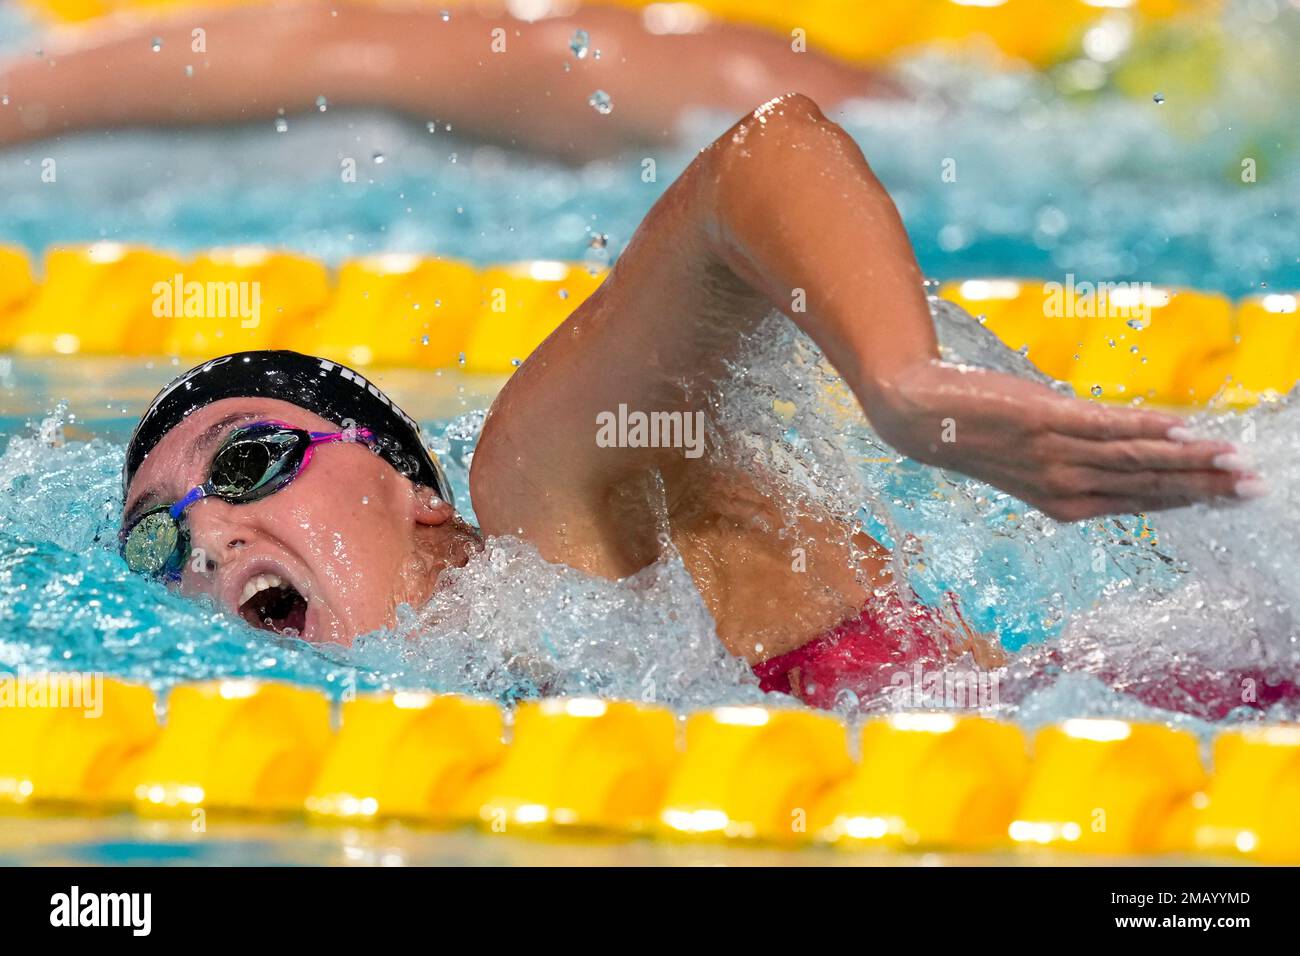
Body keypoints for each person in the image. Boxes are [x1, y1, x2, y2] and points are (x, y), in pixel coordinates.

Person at [7, 3, 1258, 707]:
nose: (204, 533)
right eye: (154, 538)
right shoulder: (517, 686)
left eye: (251, 460)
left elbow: (756, 159)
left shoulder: (542, 500)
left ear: (417, 493)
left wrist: (902, 387)